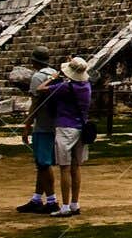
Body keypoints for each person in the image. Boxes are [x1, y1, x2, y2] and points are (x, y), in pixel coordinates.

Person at [45, 56, 93, 217]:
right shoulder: (86, 86)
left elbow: (40, 89)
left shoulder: (65, 88)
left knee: (64, 168)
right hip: (81, 128)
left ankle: (65, 206)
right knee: (76, 167)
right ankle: (75, 203)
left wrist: (54, 78)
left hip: (65, 128)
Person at [16, 46, 59, 215]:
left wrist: (27, 125)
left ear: (34, 61)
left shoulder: (38, 77)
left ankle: (51, 201)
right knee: (42, 163)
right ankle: (36, 199)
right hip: (56, 124)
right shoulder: (55, 74)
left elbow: (35, 104)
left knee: (43, 163)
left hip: (43, 125)